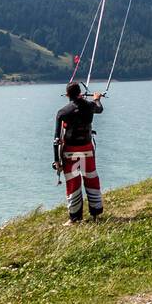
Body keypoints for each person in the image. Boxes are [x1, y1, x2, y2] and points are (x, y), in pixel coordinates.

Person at [54, 82, 104, 225]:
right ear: (80, 92)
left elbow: (56, 139)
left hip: (70, 152)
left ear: (68, 94)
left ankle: (74, 218)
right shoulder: (90, 106)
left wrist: (56, 160)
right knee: (91, 179)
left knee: (73, 183)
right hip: (87, 149)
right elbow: (99, 109)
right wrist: (96, 98)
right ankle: (95, 215)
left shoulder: (63, 112)